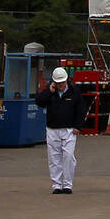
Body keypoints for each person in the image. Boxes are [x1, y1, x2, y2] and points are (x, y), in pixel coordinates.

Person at [34, 66, 89, 194]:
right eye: (58, 83)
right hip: (52, 129)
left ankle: (67, 184)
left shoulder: (74, 91)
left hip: (69, 130)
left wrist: (78, 126)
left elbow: (81, 110)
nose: (60, 86)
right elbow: (39, 101)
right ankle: (56, 185)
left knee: (68, 156)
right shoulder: (50, 92)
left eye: (62, 83)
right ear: (54, 82)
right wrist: (49, 91)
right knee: (54, 158)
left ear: (67, 80)